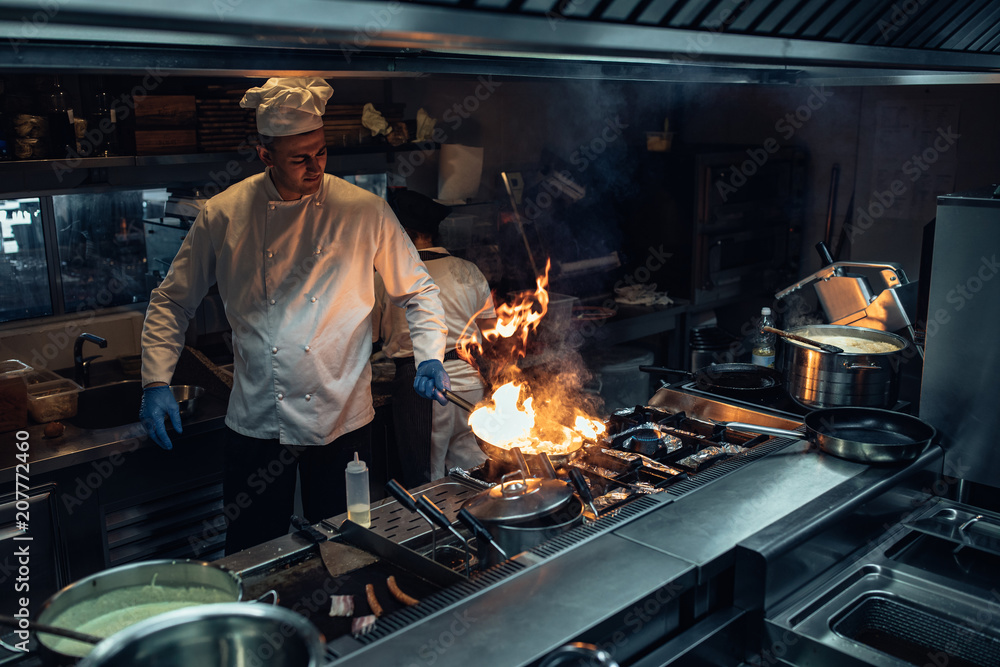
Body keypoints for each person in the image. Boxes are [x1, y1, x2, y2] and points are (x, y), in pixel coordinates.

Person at [138, 78, 451, 554]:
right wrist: (155, 380)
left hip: (343, 414)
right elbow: (172, 300)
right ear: (265, 155)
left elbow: (419, 290)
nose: (315, 167)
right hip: (258, 418)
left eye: (321, 152)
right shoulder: (224, 215)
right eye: (299, 158)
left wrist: (430, 354)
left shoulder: (363, 210)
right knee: (252, 549)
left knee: (349, 548)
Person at [373, 190, 496, 486]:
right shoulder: (468, 270)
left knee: (428, 479)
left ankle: (434, 518)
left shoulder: (386, 277)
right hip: (471, 382)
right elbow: (491, 328)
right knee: (473, 469)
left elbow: (371, 334)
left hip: (424, 386)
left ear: (405, 233)